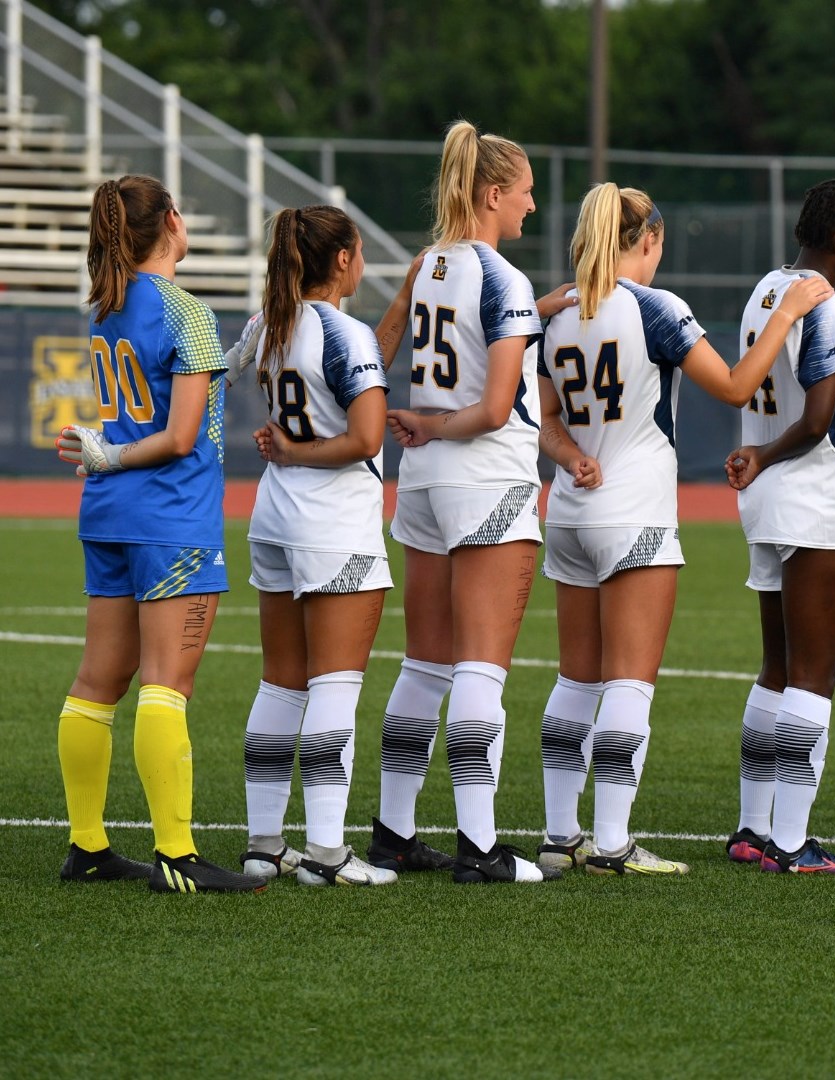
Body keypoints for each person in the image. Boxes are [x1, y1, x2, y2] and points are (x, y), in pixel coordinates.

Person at [532, 183, 830, 875]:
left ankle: (558, 836)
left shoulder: (563, 309)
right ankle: (610, 842)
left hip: (571, 509)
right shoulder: (654, 307)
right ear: (649, 241)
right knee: (629, 684)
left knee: (575, 681)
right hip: (632, 509)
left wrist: (573, 456)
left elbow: (544, 419)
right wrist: (786, 314)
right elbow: (731, 385)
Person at [52, 175, 263, 892]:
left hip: (110, 514)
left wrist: (231, 358)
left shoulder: (109, 306)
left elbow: (176, 394)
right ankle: (176, 854)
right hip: (172, 518)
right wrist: (112, 451)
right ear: (171, 222)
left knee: (97, 681)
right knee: (166, 683)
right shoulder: (184, 308)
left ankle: (87, 847)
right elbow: (177, 436)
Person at [375, 120, 561, 884]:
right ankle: (480, 849)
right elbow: (492, 408)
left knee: (423, 665)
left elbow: (375, 348)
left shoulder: (428, 264)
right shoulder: (502, 277)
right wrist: (433, 420)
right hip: (485, 475)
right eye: (523, 192)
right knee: (482, 669)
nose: (532, 207)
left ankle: (391, 832)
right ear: (492, 193)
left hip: (421, 482)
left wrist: (419, 419)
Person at [229, 206, 415, 887]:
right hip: (332, 526)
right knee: (335, 688)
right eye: (359, 252)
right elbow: (366, 439)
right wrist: (305, 450)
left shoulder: (267, 324)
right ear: (342, 260)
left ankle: (265, 844)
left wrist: (289, 449)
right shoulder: (343, 331)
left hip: (274, 519)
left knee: (280, 683)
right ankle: (329, 855)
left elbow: (344, 371)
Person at [722, 177, 835, 874]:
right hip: (816, 500)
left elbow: (795, 382)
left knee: (777, 669)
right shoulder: (827, 302)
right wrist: (767, 450)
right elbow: (818, 419)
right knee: (814, 678)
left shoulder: (768, 288)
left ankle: (752, 828)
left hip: (766, 503)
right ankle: (791, 843)